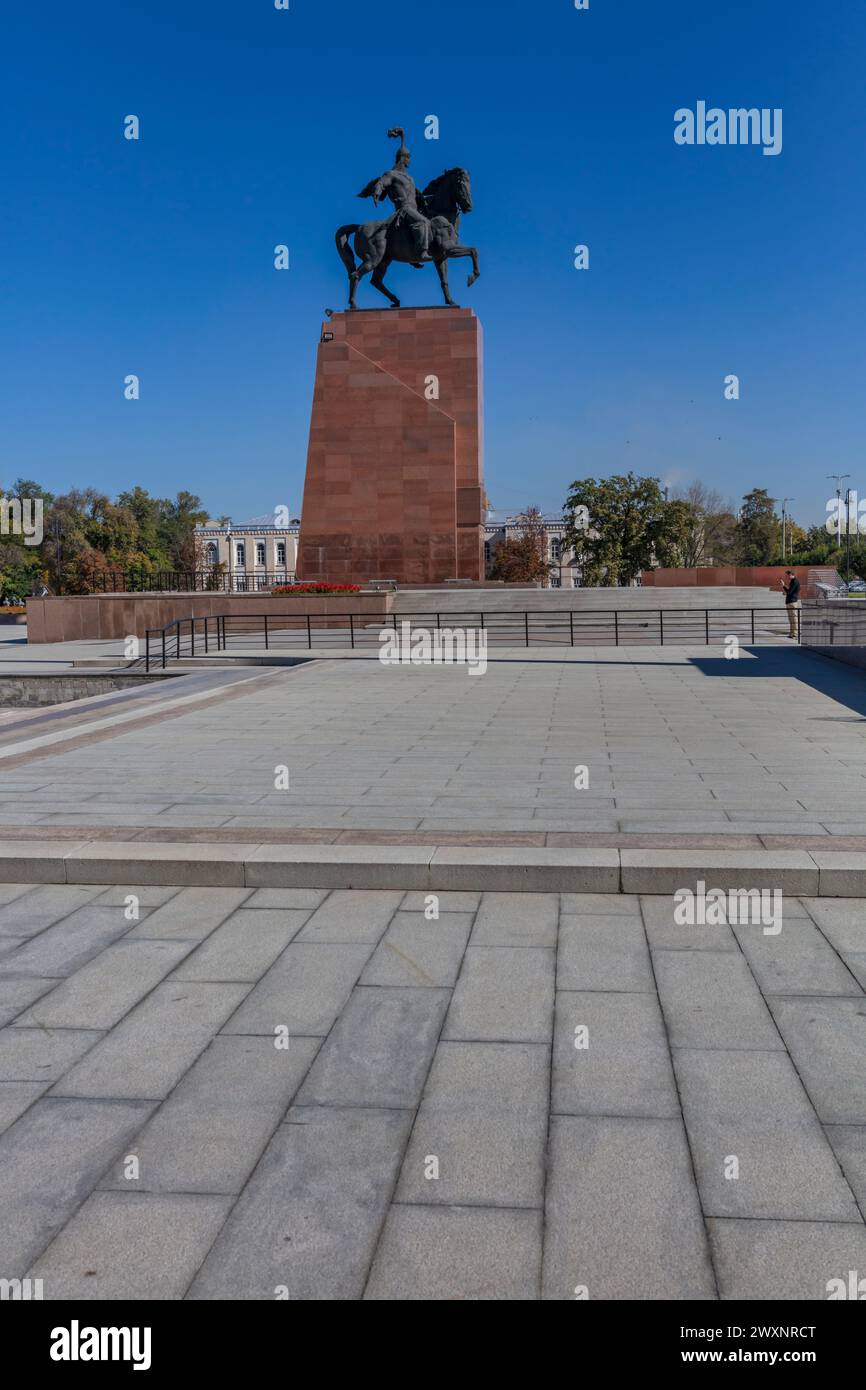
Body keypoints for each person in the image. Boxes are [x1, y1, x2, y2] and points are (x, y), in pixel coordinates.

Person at [781, 569, 801, 639]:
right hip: (789, 601)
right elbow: (789, 592)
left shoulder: (795, 581)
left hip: (792, 602)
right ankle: (792, 633)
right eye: (788, 574)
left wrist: (783, 586)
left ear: (793, 575)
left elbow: (789, 592)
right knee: (791, 618)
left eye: (789, 574)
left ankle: (795, 633)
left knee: (794, 618)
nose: (788, 576)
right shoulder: (792, 581)